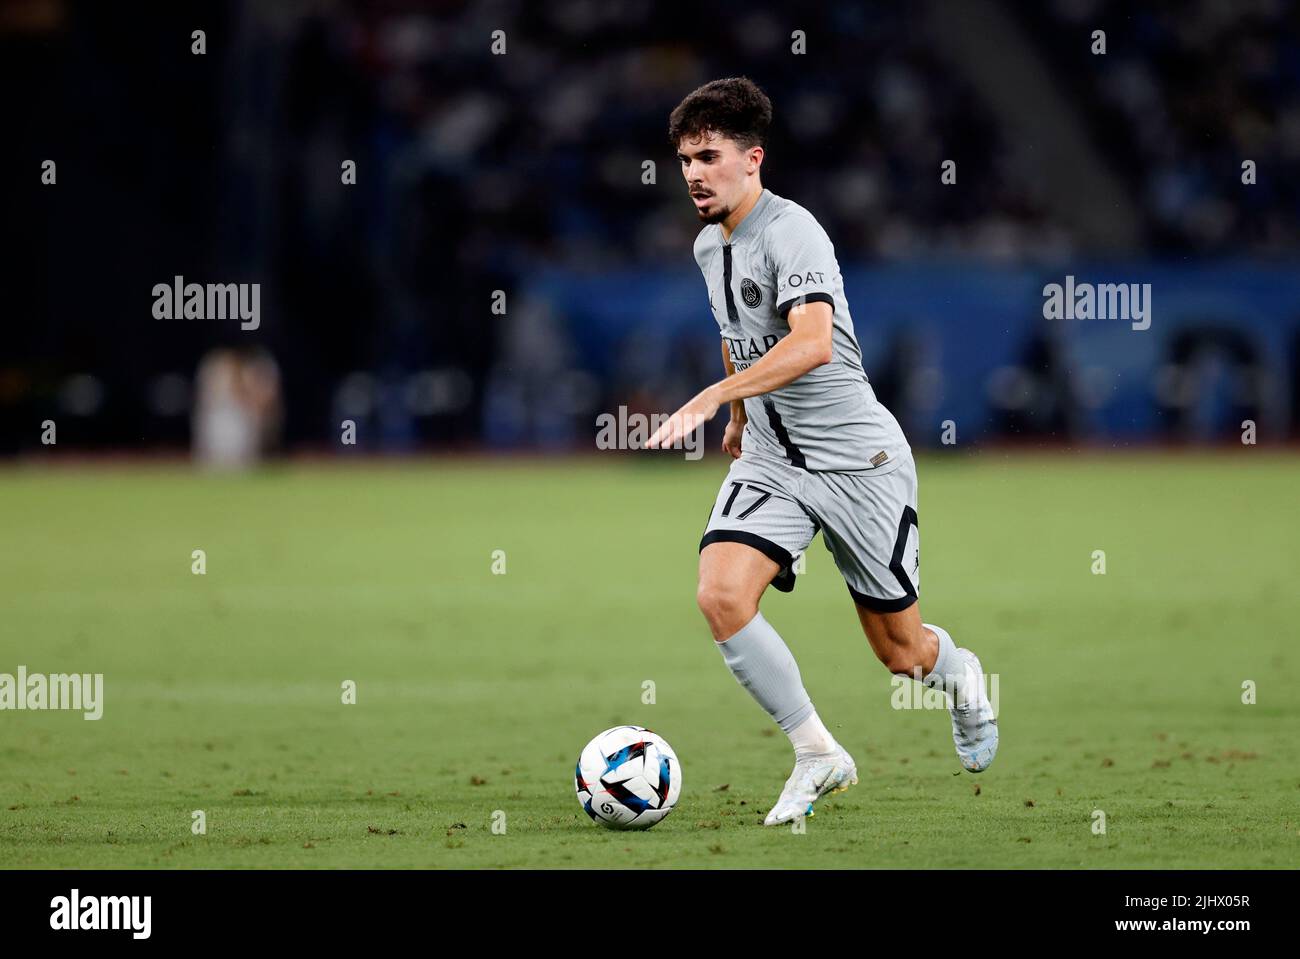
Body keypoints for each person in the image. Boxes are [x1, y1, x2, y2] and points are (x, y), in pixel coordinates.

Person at [647, 77, 998, 825]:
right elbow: (736, 333)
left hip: (858, 464)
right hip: (774, 459)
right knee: (720, 595)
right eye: (684, 160)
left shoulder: (794, 231)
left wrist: (713, 394)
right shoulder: (710, 244)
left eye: (708, 156)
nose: (693, 175)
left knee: (902, 654)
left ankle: (962, 674)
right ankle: (816, 751)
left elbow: (808, 345)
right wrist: (740, 415)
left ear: (754, 159)